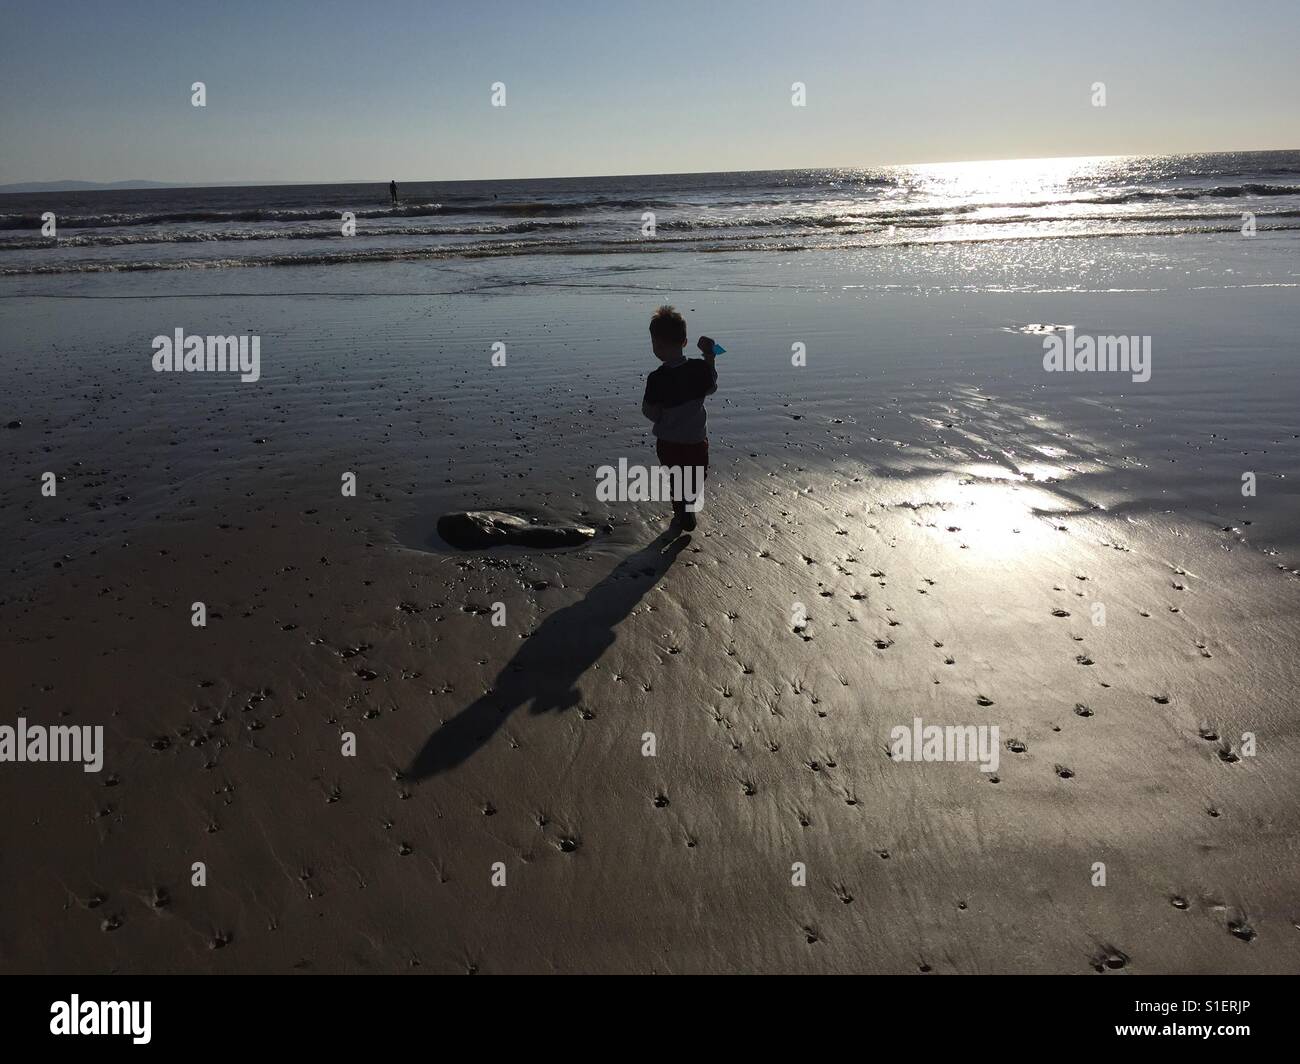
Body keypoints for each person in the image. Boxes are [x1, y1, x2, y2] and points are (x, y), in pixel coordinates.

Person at [641, 305, 718, 532]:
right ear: (684, 342)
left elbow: (649, 410)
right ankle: (688, 505)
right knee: (696, 474)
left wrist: (662, 418)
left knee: (675, 478)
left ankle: (681, 511)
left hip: (668, 441)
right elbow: (712, 387)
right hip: (695, 439)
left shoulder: (656, 378)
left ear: (656, 346)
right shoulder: (699, 368)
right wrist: (710, 356)